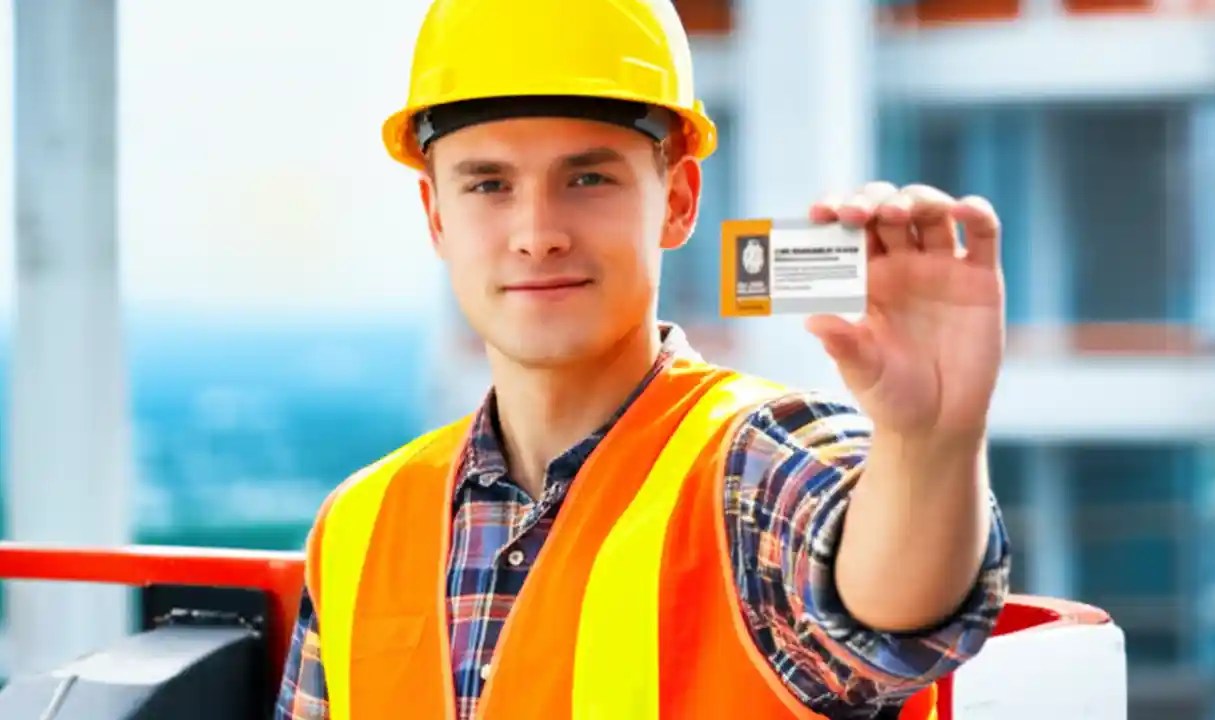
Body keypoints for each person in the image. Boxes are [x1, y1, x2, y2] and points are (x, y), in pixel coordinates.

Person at [274, 1, 1010, 718]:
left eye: (588, 178)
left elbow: (893, 616)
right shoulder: (359, 528)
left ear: (679, 201)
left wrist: (929, 443)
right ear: (437, 216)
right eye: (489, 185)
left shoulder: (755, 466)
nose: (537, 233)